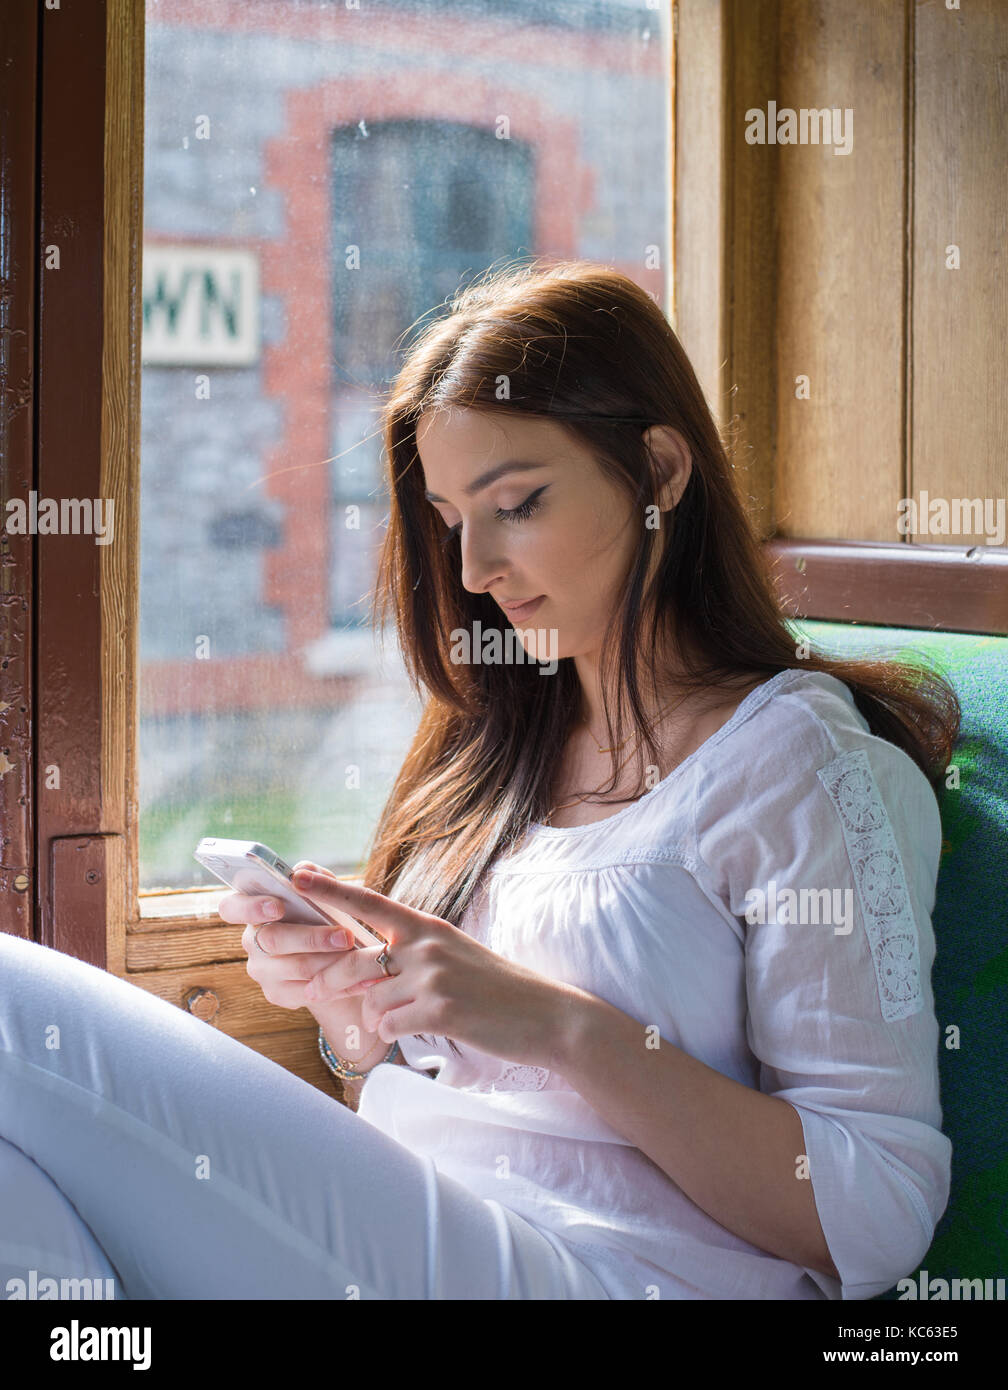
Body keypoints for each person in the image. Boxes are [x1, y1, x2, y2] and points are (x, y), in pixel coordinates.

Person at [0, 259, 959, 1300]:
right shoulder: (497, 740)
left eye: (519, 502)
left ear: (662, 472)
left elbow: (877, 1211)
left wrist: (554, 1024)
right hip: (440, 1231)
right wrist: (358, 1015)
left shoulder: (797, 766)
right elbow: (430, 1094)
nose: (474, 570)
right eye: (453, 519)